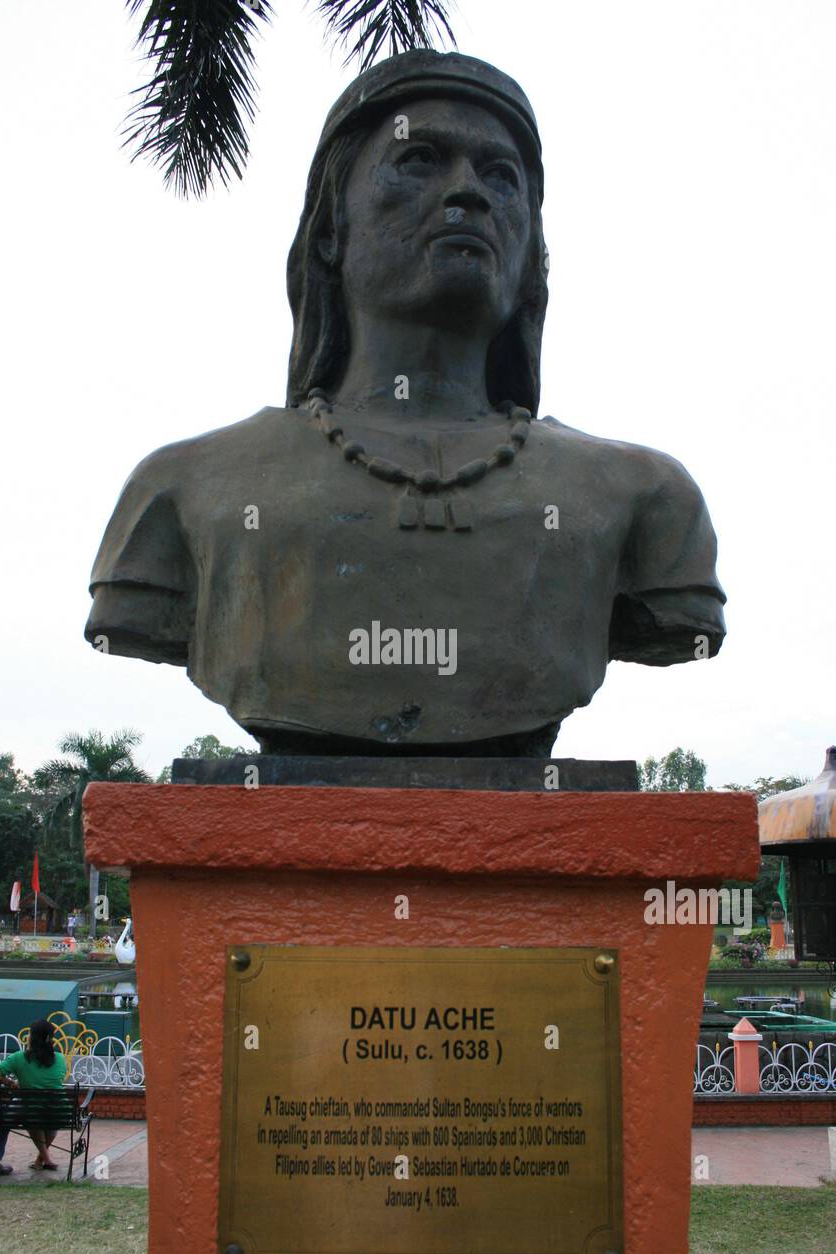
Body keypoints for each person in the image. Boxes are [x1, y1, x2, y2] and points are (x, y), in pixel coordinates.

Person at [85, 50, 726, 756]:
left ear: (531, 249)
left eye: (501, 177)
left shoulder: (645, 498)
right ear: (331, 229)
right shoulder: (182, 489)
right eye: (419, 160)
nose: (469, 194)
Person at [0, 1019, 67, 1172]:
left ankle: (43, 1159)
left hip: (31, 1111)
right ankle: (43, 1159)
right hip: (59, 1112)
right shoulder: (60, 1058)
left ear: (31, 1037)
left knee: (30, 1112)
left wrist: (10, 1082)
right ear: (50, 1039)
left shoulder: (20, 1057)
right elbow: (57, 1079)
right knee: (42, 1113)